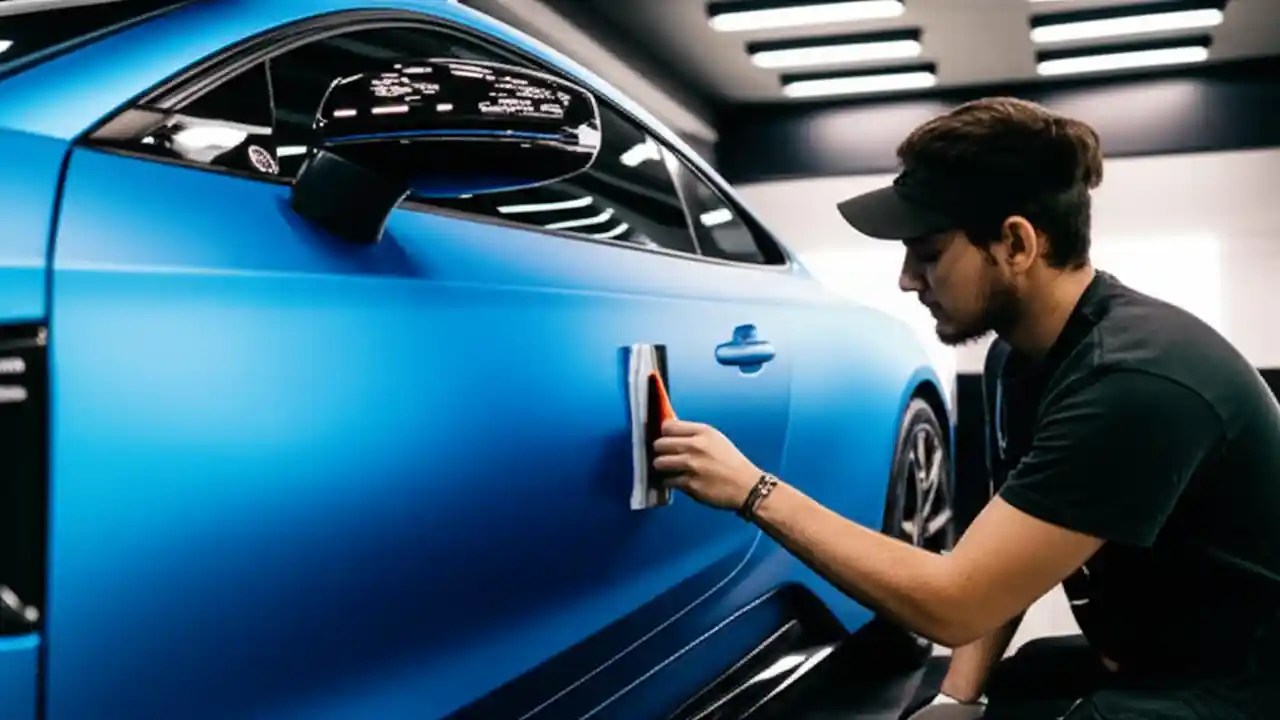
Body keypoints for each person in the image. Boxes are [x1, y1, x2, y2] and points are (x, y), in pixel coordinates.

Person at [652, 97, 1280, 719]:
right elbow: (998, 558)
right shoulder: (1019, 357)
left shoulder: (1132, 381)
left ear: (1015, 243)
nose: (906, 278)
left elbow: (956, 604)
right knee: (1020, 682)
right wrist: (959, 698)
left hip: (1243, 685)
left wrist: (752, 490)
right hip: (1157, 658)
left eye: (927, 254)